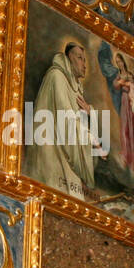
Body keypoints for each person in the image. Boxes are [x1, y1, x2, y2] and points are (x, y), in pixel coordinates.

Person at [28, 43, 99, 201]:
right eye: (80, 58)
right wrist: (90, 139)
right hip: (51, 150)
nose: (84, 64)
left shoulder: (73, 85)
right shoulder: (57, 76)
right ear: (69, 59)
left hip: (64, 149)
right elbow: (66, 118)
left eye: (84, 60)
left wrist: (90, 112)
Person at [97, 43, 134, 174]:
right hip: (123, 102)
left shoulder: (130, 75)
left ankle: (133, 158)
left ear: (124, 62)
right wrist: (124, 82)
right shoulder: (118, 76)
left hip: (131, 103)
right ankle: (126, 155)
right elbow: (115, 85)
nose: (119, 64)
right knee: (124, 128)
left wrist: (125, 82)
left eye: (120, 61)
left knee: (132, 129)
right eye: (117, 62)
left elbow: (133, 86)